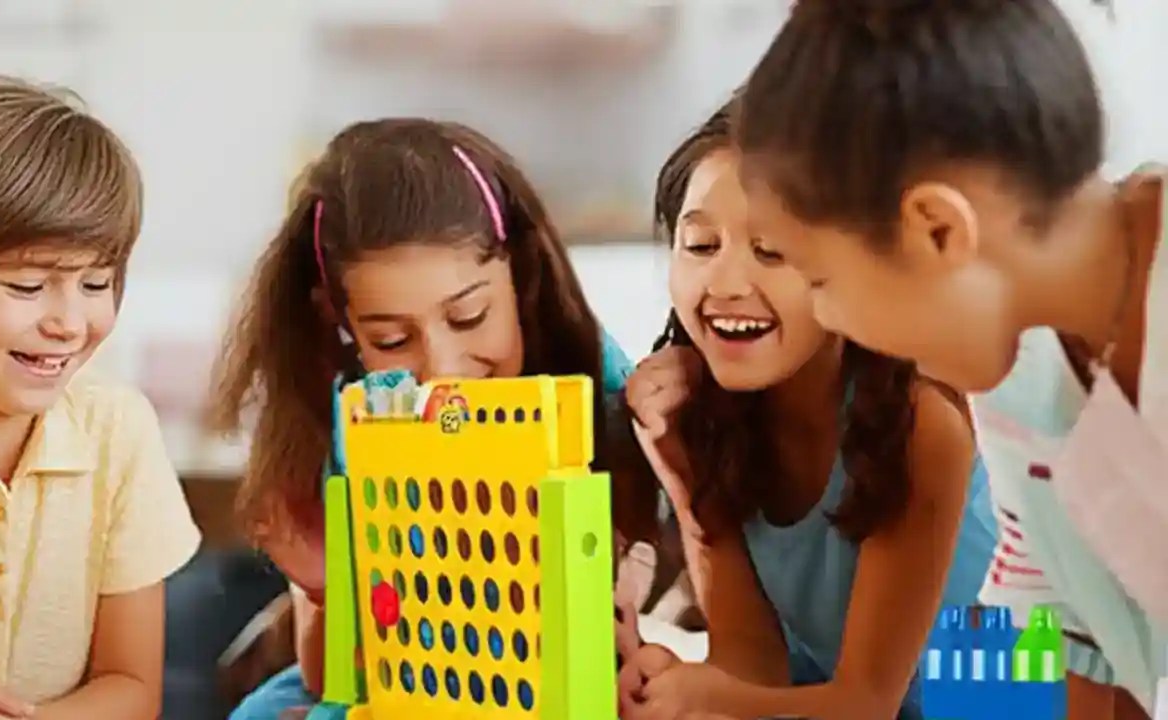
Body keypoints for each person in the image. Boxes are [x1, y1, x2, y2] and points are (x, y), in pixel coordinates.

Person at [732, 1, 1163, 718]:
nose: (824, 316)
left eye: (820, 281)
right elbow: (1070, 630)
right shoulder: (1022, 366)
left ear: (936, 230)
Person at [209, 118, 657, 719]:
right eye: (391, 340)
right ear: (339, 322)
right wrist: (323, 589)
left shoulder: (594, 388)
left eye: (469, 317)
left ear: (520, 276)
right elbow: (333, 679)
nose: (442, 370)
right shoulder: (355, 417)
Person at [618, 106, 996, 720]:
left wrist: (707, 696)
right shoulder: (710, 414)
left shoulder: (920, 423)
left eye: (772, 250)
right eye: (701, 246)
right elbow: (751, 665)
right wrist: (683, 478)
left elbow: (866, 704)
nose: (726, 283)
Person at [0, 77, 200, 720]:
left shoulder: (116, 426)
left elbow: (132, 687)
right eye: (28, 286)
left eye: (96, 283)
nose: (69, 323)